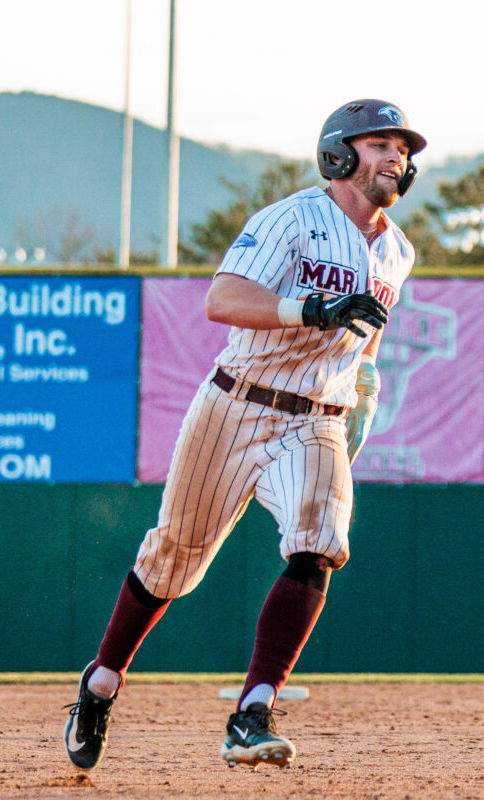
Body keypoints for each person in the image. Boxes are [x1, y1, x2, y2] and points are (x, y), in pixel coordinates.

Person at [64, 99, 427, 770]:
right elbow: (222, 299)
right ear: (340, 153)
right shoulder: (293, 218)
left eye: (402, 148)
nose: (395, 157)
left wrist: (361, 395)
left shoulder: (397, 251)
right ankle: (102, 680)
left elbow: (364, 347)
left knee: (320, 543)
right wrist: (308, 308)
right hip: (236, 404)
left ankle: (253, 711)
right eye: (379, 143)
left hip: (317, 415)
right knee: (171, 559)